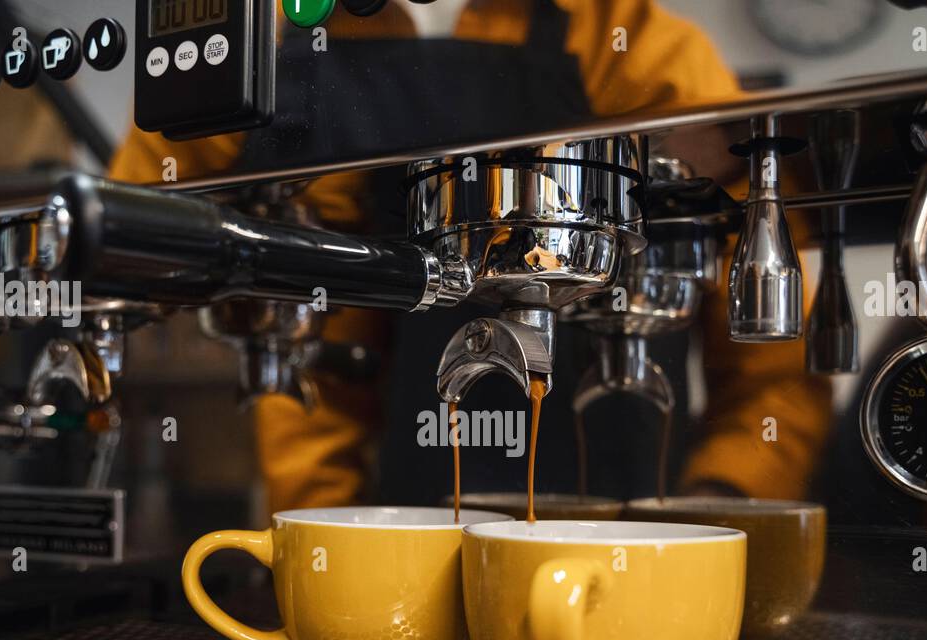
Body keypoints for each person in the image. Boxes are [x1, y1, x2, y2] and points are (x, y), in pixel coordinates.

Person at [109, 0, 833, 515]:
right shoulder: (272, 53)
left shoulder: (630, 45)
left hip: (620, 519)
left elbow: (773, 362)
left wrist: (723, 501)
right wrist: (325, 535)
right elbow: (105, 234)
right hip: (393, 523)